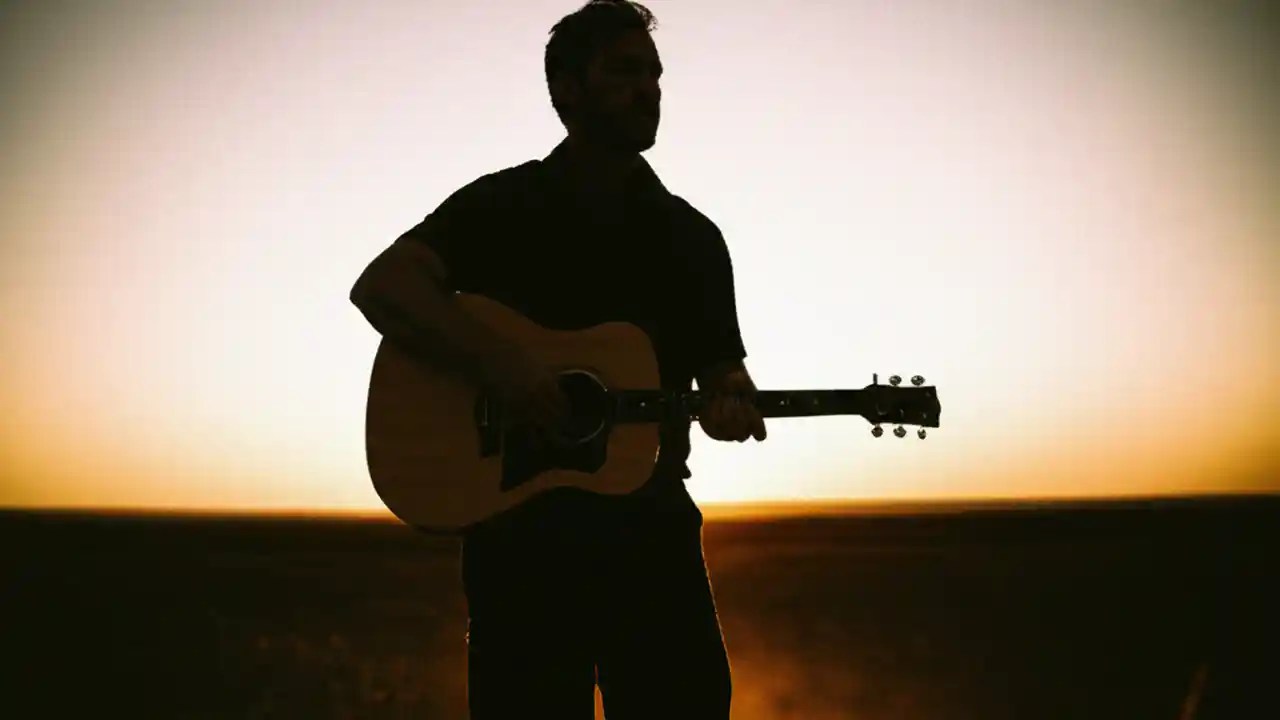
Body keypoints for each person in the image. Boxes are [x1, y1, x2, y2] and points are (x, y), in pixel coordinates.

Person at [349, 1, 766, 716]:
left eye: (656, 73)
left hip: (652, 543)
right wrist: (499, 364)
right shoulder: (501, 207)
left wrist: (734, 402)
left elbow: (722, 371)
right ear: (564, 89)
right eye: (626, 71)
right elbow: (384, 286)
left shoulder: (692, 239)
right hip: (522, 552)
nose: (651, 89)